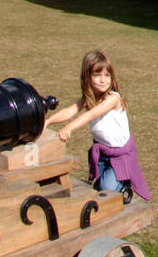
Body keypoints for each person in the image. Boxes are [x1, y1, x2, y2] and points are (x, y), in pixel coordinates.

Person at [44, 49, 149, 204]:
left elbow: (91, 115)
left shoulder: (113, 98)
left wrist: (68, 128)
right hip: (103, 153)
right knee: (99, 187)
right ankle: (113, 179)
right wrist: (48, 121)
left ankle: (125, 183)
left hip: (120, 155)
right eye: (97, 74)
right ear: (87, 77)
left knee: (106, 189)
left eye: (107, 75)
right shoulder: (90, 98)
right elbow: (70, 110)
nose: (102, 80)